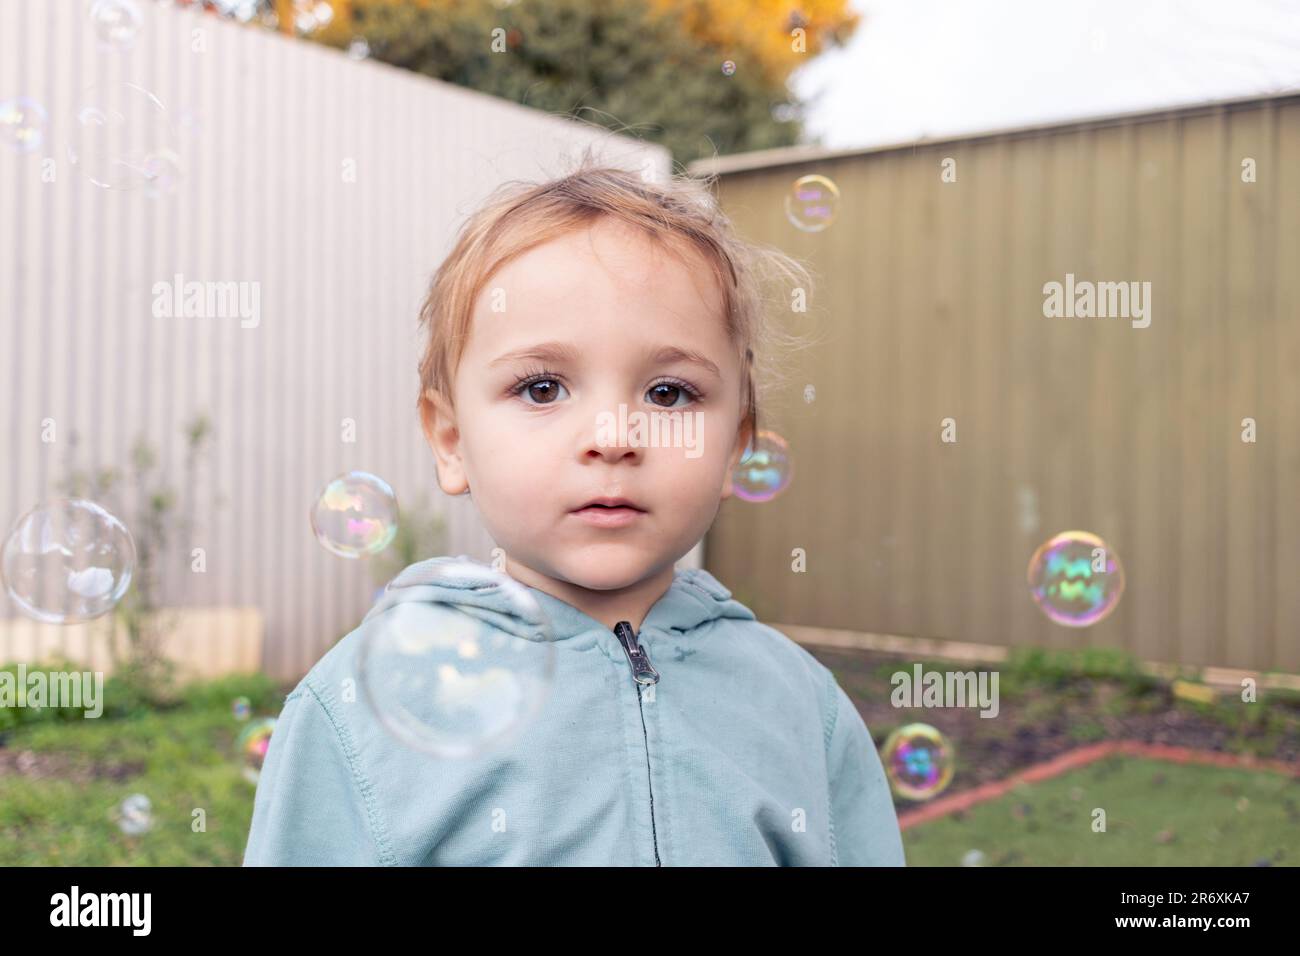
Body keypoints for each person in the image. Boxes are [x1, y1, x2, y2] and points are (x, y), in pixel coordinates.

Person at [243, 159, 905, 866]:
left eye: (670, 394)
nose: (613, 437)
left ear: (735, 444)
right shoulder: (359, 711)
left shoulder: (803, 708)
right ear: (452, 439)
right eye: (541, 388)